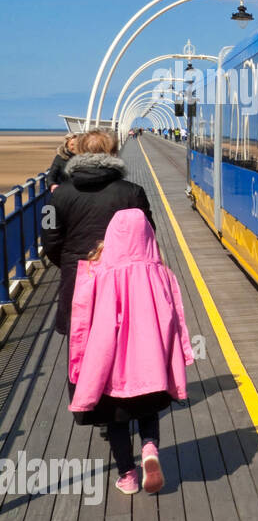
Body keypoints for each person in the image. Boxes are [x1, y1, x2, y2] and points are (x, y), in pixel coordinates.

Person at [67, 209, 193, 494]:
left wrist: (79, 365)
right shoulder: (162, 273)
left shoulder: (97, 272)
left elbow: (83, 323)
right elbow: (174, 320)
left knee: (116, 422)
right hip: (152, 367)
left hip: (113, 369)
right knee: (148, 412)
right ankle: (149, 448)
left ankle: (127, 475)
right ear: (148, 236)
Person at [44, 130, 154, 336]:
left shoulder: (58, 195)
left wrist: (71, 261)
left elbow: (49, 238)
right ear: (113, 152)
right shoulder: (134, 192)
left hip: (76, 275)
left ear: (81, 151)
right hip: (121, 280)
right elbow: (148, 235)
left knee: (79, 343)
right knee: (120, 341)